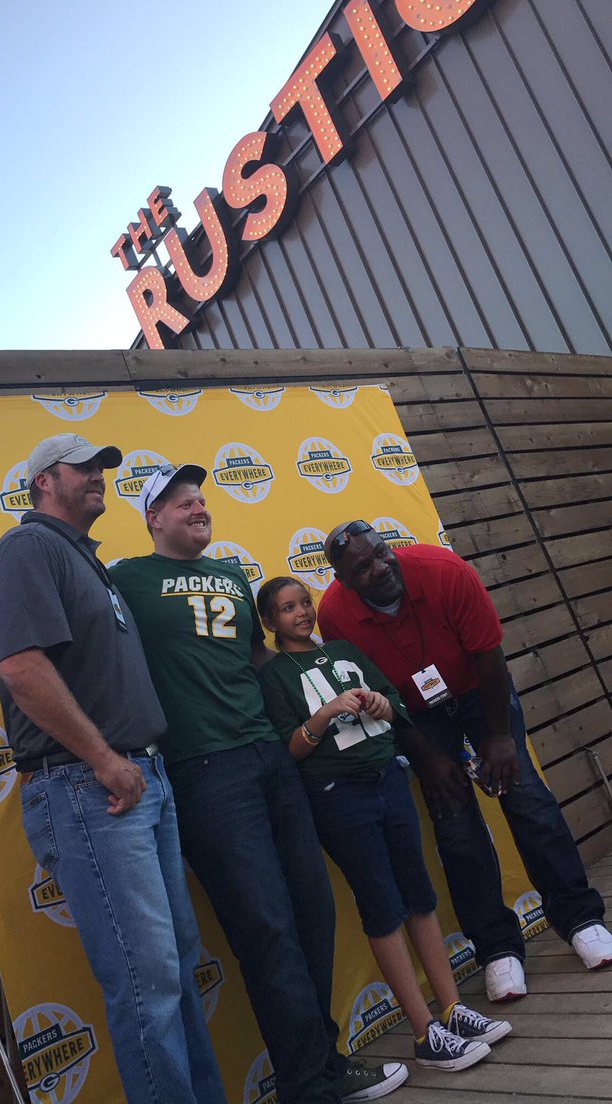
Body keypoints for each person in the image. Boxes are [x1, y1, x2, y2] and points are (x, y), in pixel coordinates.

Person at [111, 464, 407, 1104]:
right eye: (180, 502)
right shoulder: (126, 578)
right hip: (205, 769)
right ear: (152, 518)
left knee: (313, 910)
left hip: (272, 755)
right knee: (266, 927)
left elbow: (261, 658)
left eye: (200, 499)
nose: (197, 507)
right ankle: (308, 1086)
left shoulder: (233, 578)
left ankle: (324, 1064)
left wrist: (329, 675)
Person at [0, 434, 228, 1104]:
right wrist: (103, 761)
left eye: (102, 468)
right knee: (145, 985)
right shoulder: (27, 549)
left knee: (171, 971)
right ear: (42, 483)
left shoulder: (84, 561)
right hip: (90, 788)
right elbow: (21, 669)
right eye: (82, 468)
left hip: (135, 783)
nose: (98, 476)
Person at [317, 521, 612, 1002]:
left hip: (479, 690)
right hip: (414, 715)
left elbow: (489, 656)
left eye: (381, 553)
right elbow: (376, 698)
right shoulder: (335, 616)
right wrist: (427, 758)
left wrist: (499, 736)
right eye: (363, 568)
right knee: (454, 821)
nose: (381, 567)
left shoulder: (443, 570)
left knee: (525, 796)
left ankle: (580, 919)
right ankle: (497, 949)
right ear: (345, 582)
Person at [256, 574, 511, 1072]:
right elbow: (290, 748)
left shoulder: (346, 650)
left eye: (304, 603)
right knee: (382, 906)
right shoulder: (274, 676)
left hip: (387, 780)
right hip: (337, 795)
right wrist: (327, 713)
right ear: (269, 622)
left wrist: (380, 704)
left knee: (419, 895)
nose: (301, 613)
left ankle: (453, 1008)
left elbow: (395, 703)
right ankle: (423, 1031)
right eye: (287, 608)